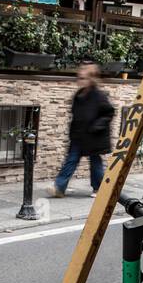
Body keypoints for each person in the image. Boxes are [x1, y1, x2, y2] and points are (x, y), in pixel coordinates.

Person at [52, 62, 114, 198]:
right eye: (79, 78)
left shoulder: (99, 96)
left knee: (95, 162)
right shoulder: (78, 95)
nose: (79, 81)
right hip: (79, 136)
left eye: (83, 78)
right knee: (71, 160)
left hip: (94, 136)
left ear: (91, 79)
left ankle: (99, 188)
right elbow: (75, 115)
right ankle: (59, 188)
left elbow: (109, 113)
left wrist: (97, 126)